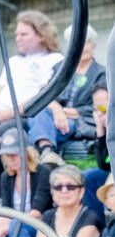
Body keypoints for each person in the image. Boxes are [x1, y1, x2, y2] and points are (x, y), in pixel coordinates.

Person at [29, 25, 106, 156]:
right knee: (36, 114)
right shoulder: (60, 68)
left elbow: (99, 108)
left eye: (85, 43)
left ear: (94, 46)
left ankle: (46, 151)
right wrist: (56, 110)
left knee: (37, 120)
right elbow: (44, 95)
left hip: (80, 122)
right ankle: (47, 151)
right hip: (53, 118)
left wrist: (63, 112)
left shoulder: (101, 73)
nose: (81, 47)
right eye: (76, 43)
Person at [0, 11, 63, 157]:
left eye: (23, 34)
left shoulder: (55, 59)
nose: (18, 39)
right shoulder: (13, 61)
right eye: (16, 35)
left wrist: (3, 115)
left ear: (41, 35)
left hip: (25, 117)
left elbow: (42, 97)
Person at [0, 130, 51, 237]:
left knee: (16, 225)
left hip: (38, 228)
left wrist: (5, 228)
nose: (11, 158)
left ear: (27, 152)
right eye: (7, 155)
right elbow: (6, 209)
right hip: (13, 226)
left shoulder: (43, 172)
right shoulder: (6, 177)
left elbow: (37, 212)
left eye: (15, 153)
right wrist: (0, 229)